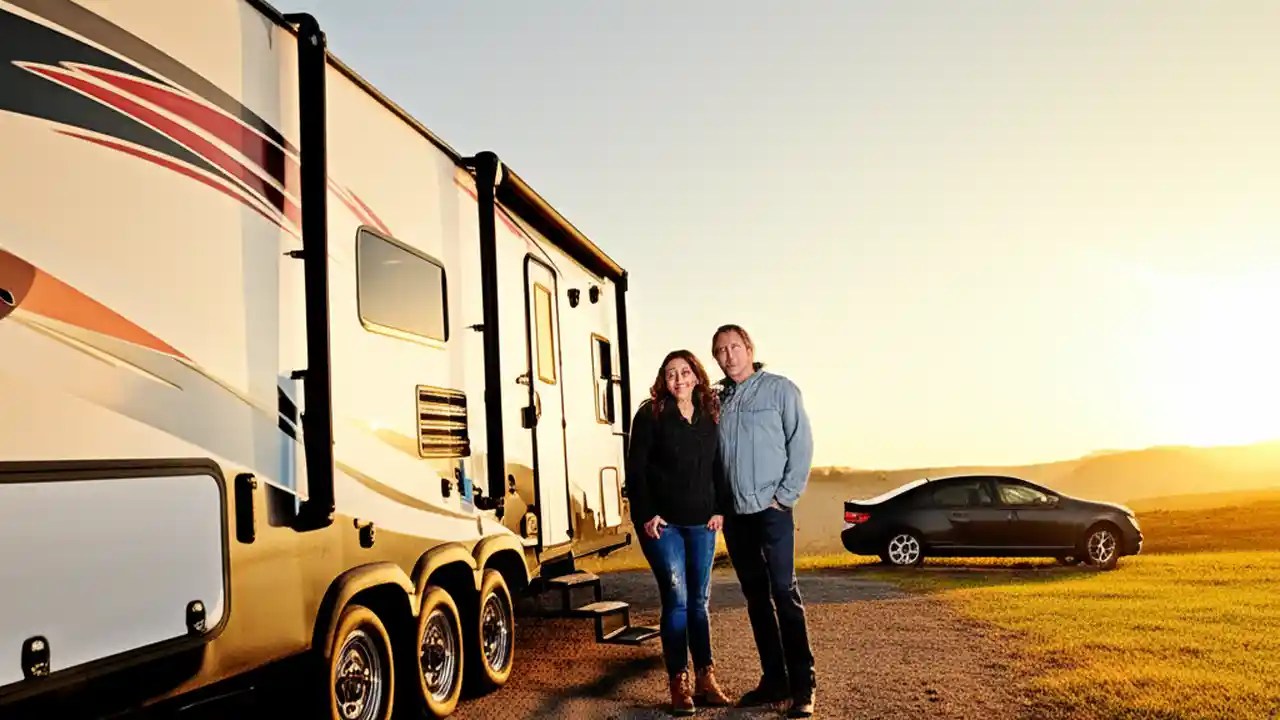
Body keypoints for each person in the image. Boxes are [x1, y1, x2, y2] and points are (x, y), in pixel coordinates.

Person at [710, 324, 816, 718]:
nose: (728, 355)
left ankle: (803, 687)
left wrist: (783, 498)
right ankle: (774, 680)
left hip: (772, 512)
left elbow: (800, 444)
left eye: (734, 346)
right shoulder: (719, 402)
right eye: (720, 351)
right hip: (737, 515)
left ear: (749, 348)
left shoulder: (780, 390)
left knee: (783, 593)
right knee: (756, 597)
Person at [626, 349, 734, 716]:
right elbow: (635, 471)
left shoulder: (709, 414)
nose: (679, 379)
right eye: (671, 374)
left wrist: (720, 508)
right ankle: (679, 683)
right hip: (663, 524)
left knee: (700, 603)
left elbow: (717, 465)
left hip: (703, 522)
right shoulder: (650, 414)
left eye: (684, 371)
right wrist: (645, 515)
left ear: (696, 376)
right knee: (677, 599)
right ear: (662, 380)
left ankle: (706, 679)